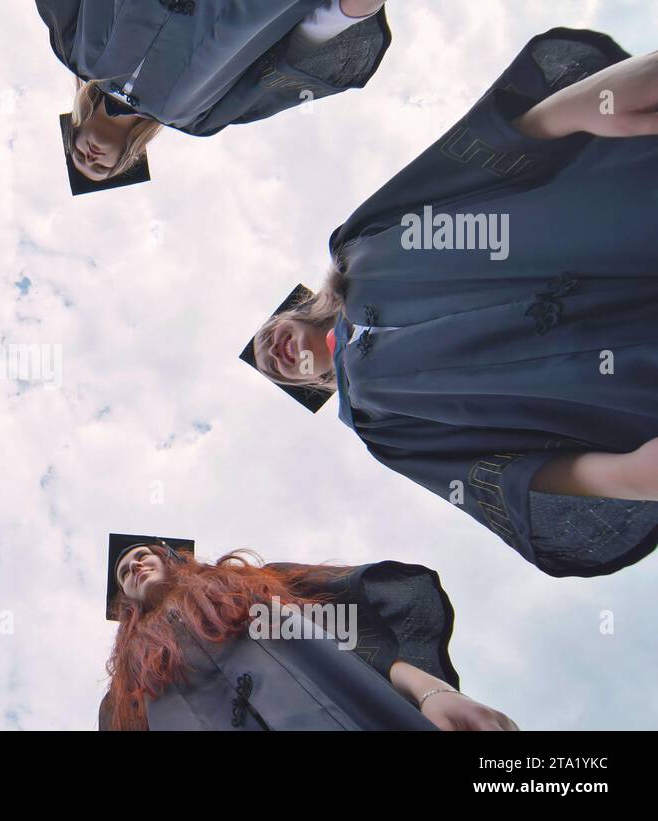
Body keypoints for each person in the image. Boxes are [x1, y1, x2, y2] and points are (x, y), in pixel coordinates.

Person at [246, 28, 658, 577]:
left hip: (614, 222)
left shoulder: (360, 246)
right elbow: (499, 471)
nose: (273, 352)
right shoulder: (377, 424)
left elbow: (467, 167)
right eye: (276, 369)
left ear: (292, 310)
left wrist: (577, 108)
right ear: (308, 386)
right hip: (622, 376)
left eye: (266, 337)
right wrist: (628, 476)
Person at [100, 535, 516, 731]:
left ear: (170, 558)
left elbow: (357, 635)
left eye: (142, 555)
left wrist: (433, 692)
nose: (134, 566)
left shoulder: (255, 586)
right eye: (124, 572)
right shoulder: (126, 693)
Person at [38, 0, 391, 181]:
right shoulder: (197, 117)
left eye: (77, 156)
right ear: (127, 159)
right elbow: (273, 73)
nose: (89, 157)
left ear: (75, 130)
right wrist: (345, 15)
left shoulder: (74, 49)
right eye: (100, 168)